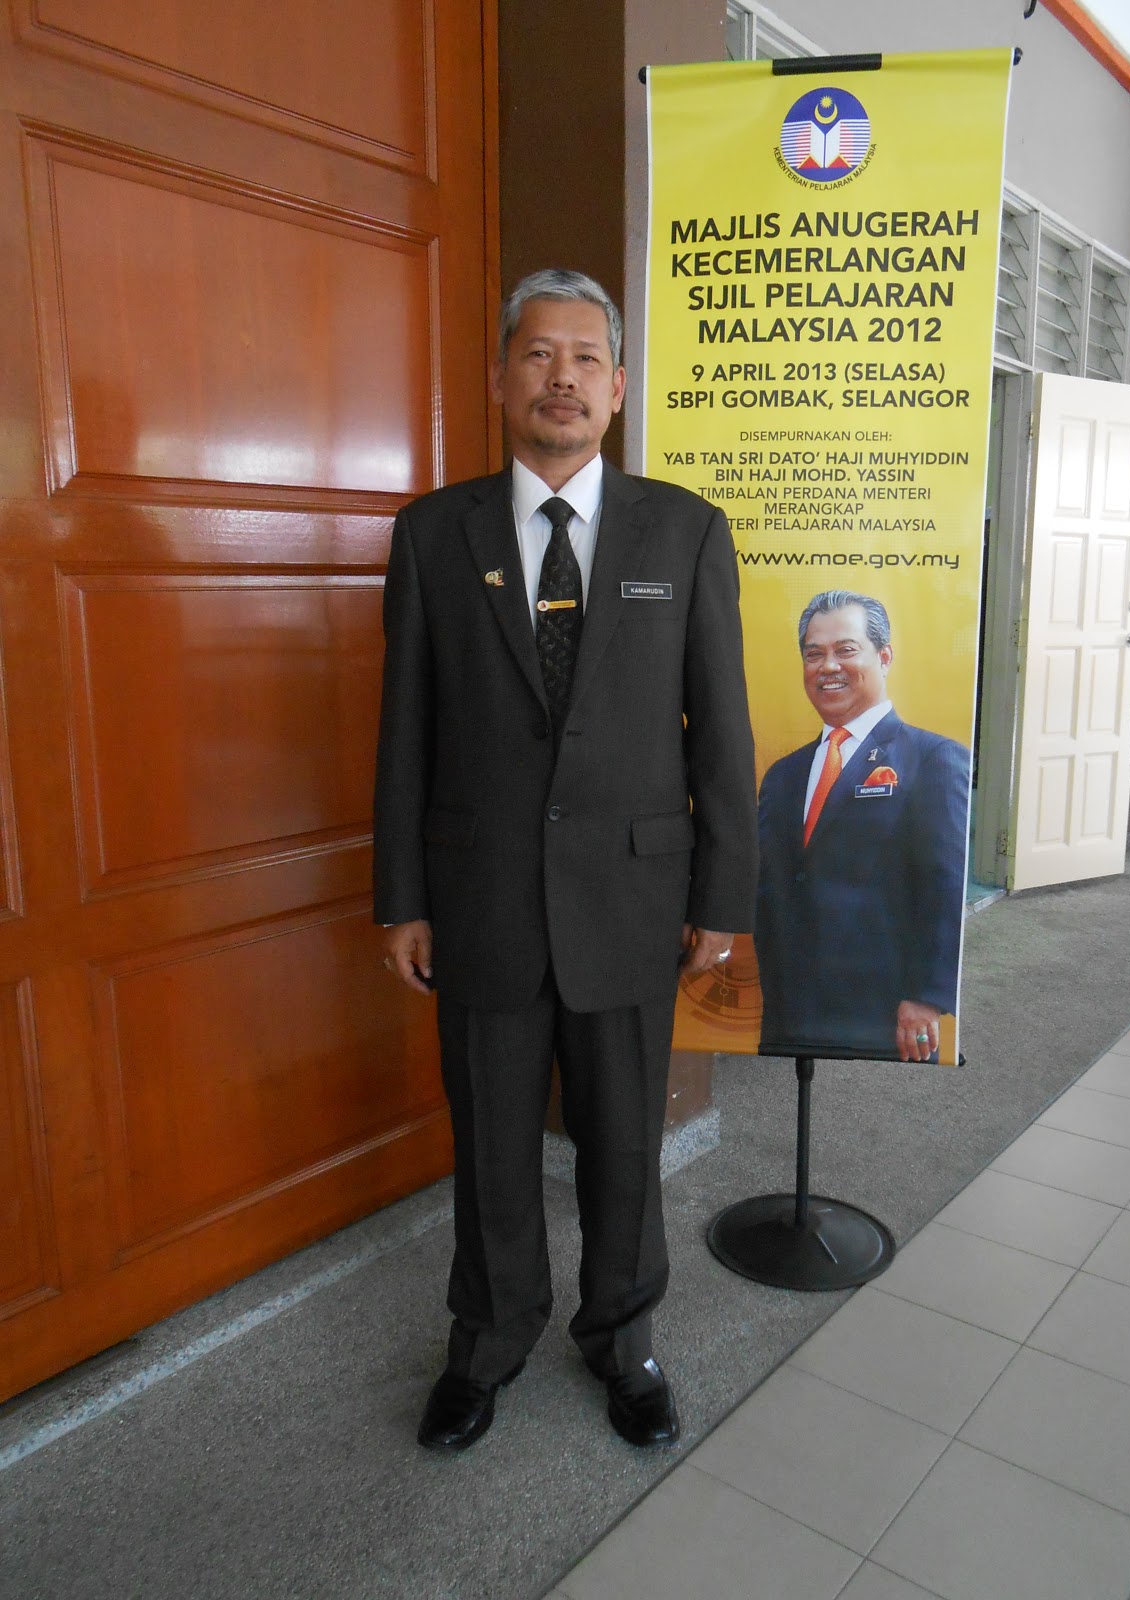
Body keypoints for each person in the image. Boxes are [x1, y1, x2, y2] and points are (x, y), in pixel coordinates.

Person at [374, 269, 757, 1452]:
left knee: (625, 1141)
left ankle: (625, 1337)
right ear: (499, 377)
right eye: (539, 356)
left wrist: (723, 899)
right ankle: (486, 1344)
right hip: (481, 896)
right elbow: (407, 728)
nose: (563, 379)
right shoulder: (434, 534)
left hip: (635, 898)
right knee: (490, 1141)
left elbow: (723, 727)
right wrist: (402, 897)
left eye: (587, 359)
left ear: (620, 387)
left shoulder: (684, 530)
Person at [754, 589, 969, 1063]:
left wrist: (927, 995)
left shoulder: (933, 759)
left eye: (845, 650)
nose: (828, 666)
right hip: (791, 1005)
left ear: (884, 656)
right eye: (814, 654)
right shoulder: (783, 775)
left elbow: (944, 883)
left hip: (887, 1011)